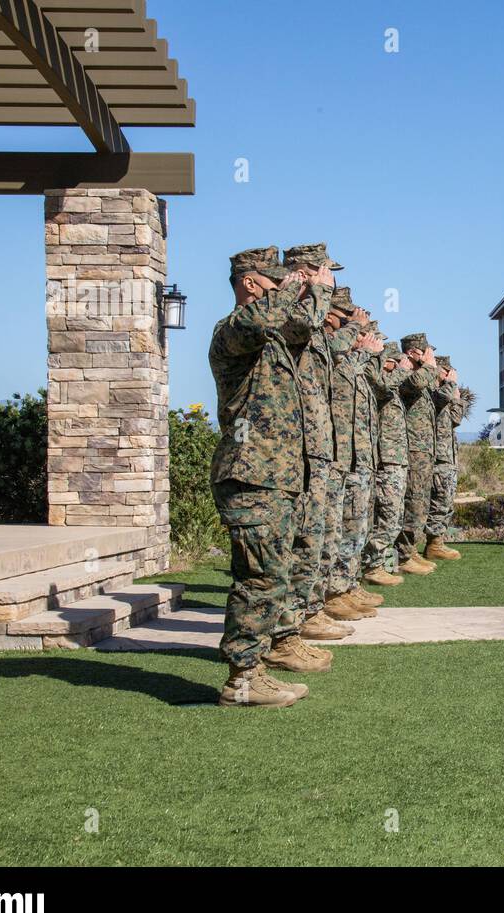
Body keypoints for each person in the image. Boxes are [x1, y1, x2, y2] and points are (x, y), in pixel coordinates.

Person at [209, 246, 334, 707]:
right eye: (273, 279)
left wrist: (313, 293)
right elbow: (266, 320)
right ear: (249, 283)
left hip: (277, 476)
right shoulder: (234, 331)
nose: (285, 286)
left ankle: (260, 661)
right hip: (250, 474)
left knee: (273, 575)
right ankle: (242, 678)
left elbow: (302, 325)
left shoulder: (275, 338)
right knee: (259, 579)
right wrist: (298, 289)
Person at [280, 243, 357, 642]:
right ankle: (299, 617)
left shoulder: (316, 333)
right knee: (308, 538)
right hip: (298, 453)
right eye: (324, 273)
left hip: (325, 451)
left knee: (325, 533)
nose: (330, 283)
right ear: (304, 272)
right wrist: (314, 296)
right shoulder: (291, 320)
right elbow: (302, 327)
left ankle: (314, 606)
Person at [320, 287, 385, 622]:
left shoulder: (347, 356)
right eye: (350, 322)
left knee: (355, 525)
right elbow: (339, 376)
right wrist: (359, 347)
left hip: (354, 456)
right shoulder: (327, 350)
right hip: (333, 456)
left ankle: (345, 585)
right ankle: (331, 593)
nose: (361, 334)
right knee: (333, 530)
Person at [361, 341, 414, 586]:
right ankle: (372, 567)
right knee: (387, 517)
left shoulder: (392, 385)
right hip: (386, 459)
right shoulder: (379, 382)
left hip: (396, 459)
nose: (399, 365)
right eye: (393, 361)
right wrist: (399, 370)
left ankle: (382, 564)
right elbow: (380, 387)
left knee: (394, 517)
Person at [395, 333, 442, 573]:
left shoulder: (422, 378)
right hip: (413, 450)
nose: (430, 356)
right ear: (414, 353)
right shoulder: (406, 375)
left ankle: (411, 550)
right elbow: (413, 384)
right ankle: (403, 556)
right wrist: (430, 366)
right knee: (412, 502)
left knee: (421, 502)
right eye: (426, 351)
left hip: (423, 451)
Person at [425, 355, 468, 561]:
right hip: (437, 457)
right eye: (446, 371)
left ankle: (437, 542)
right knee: (439, 502)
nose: (449, 374)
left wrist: (458, 398)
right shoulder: (432, 391)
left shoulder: (446, 392)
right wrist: (450, 385)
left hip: (448, 456)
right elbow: (439, 401)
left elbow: (455, 420)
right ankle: (432, 543)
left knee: (446, 502)